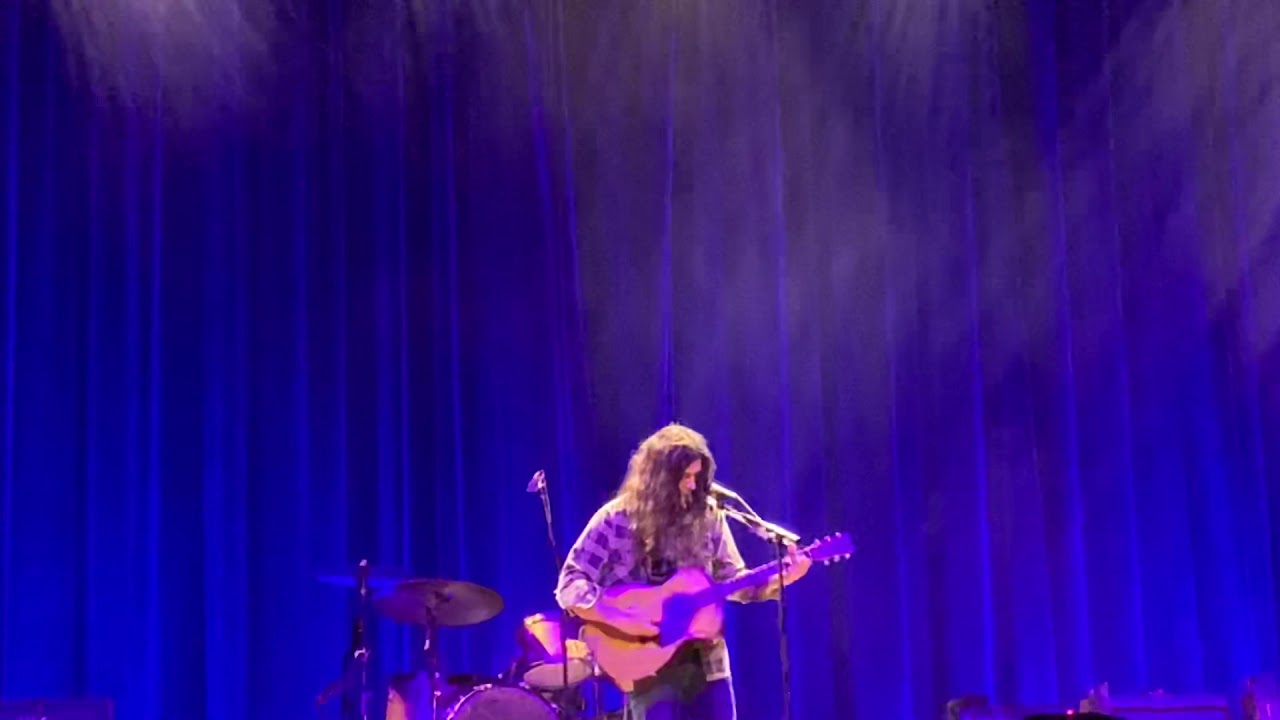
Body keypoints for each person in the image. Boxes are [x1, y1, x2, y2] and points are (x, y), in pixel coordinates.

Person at [555, 423, 811, 720]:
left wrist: (784, 576)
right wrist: (622, 617)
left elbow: (733, 580)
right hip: (646, 669)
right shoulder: (616, 519)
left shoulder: (709, 515)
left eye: (696, 476)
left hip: (707, 665)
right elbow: (570, 583)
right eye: (684, 476)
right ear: (657, 479)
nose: (692, 485)